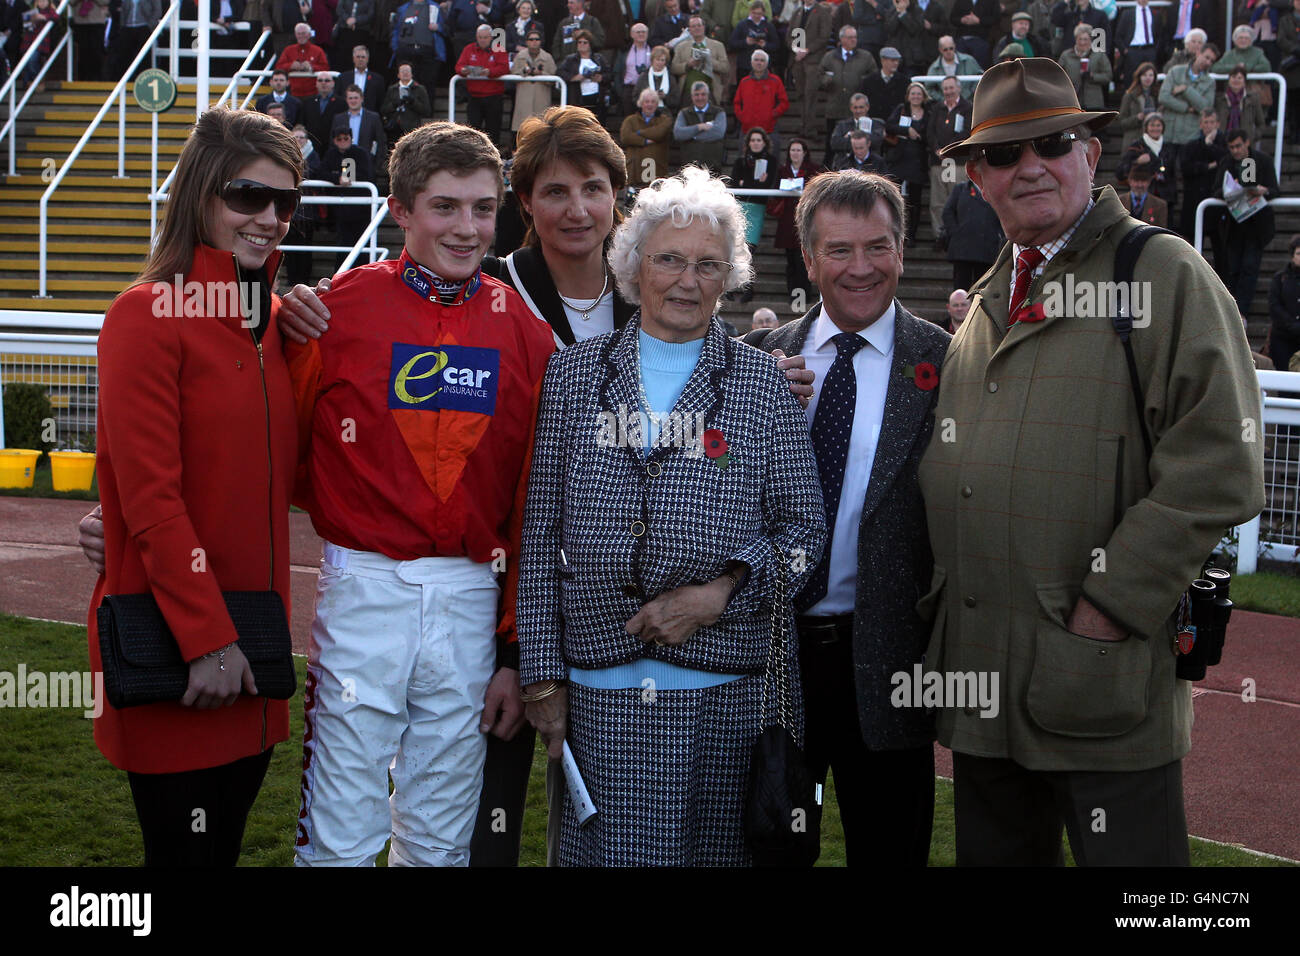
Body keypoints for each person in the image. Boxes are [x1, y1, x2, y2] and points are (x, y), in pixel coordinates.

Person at [927, 56, 1264, 866]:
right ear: (979, 177)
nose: (1030, 165)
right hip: (982, 691)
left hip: (1101, 687)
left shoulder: (1161, 271)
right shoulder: (986, 300)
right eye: (1004, 154)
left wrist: (1105, 612)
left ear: (1087, 151)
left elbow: (1220, 462)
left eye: (1051, 142)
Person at [517, 165, 827, 866]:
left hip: (726, 702)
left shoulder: (760, 383)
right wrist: (541, 677)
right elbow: (539, 537)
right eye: (670, 260)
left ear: (729, 278)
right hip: (599, 700)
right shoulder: (571, 376)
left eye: (708, 265)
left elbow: (805, 536)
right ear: (634, 266)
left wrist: (718, 594)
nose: (688, 280)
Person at [88, 107, 304, 866]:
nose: (269, 217)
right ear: (201, 194)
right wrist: (208, 640)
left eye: (286, 201)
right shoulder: (145, 314)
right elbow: (150, 495)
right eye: (248, 196)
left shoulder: (274, 320)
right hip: (185, 654)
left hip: (259, 656)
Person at [741, 169, 950, 867]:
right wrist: (750, 418)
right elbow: (708, 500)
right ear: (808, 258)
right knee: (770, 854)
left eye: (877, 247)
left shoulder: (947, 364)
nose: (860, 268)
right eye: (839, 250)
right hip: (773, 661)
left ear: (902, 250)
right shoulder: (757, 364)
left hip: (889, 658)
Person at [1218, 127, 1281, 317]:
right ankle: (1234, 311)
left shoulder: (1263, 161)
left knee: (1249, 268)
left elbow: (1275, 190)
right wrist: (1229, 193)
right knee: (1234, 269)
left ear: (1247, 143)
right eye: (1232, 147)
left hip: (1256, 226)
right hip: (1234, 225)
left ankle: (1241, 312)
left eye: (1238, 146)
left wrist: (1263, 190)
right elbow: (1215, 190)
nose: (1235, 151)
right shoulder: (1226, 162)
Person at [769, 136, 823, 303]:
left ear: (804, 152)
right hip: (787, 221)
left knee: (803, 261)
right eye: (793, 150)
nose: (795, 153)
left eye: (798, 150)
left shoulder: (813, 170)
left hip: (806, 221)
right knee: (791, 261)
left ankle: (805, 295)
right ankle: (794, 295)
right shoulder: (782, 170)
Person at [925, 74, 971, 243]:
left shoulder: (967, 108)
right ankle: (940, 235)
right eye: (945, 88)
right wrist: (937, 149)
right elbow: (930, 132)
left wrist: (948, 149)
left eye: (951, 88)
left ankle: (957, 234)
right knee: (937, 201)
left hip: (956, 162)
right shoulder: (937, 108)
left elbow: (966, 132)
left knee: (955, 198)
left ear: (958, 88)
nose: (948, 91)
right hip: (938, 163)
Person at [730, 126, 774, 302]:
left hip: (757, 208)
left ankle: (748, 287)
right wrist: (753, 181)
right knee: (736, 247)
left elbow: (767, 184)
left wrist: (747, 182)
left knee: (749, 249)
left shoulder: (770, 160)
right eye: (753, 140)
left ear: (764, 143)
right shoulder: (741, 161)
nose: (756, 143)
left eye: (759, 140)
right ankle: (733, 286)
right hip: (741, 206)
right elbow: (736, 184)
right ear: (748, 143)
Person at [320, 126, 374, 268]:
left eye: (346, 138)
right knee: (343, 245)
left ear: (351, 138)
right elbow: (320, 173)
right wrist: (337, 178)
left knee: (361, 245)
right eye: (339, 139)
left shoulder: (360, 153)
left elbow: (367, 175)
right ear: (334, 141)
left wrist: (347, 178)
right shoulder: (331, 154)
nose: (343, 141)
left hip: (360, 208)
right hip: (340, 209)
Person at [820, 26, 877, 155]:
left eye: (855, 37)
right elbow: (820, 75)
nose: (854, 40)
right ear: (842, 39)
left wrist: (863, 82)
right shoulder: (830, 57)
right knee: (833, 144)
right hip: (835, 108)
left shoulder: (866, 57)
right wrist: (827, 80)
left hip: (858, 111)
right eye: (850, 37)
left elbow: (873, 76)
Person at [885, 81, 928, 243]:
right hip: (899, 160)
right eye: (913, 93)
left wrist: (919, 136)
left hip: (917, 162)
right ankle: (894, 233)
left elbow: (930, 134)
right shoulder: (901, 109)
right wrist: (906, 130)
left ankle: (912, 235)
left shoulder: (928, 112)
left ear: (923, 97)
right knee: (894, 198)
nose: (916, 96)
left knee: (915, 201)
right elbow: (889, 126)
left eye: (919, 94)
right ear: (908, 96)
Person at [787, 0, 839, 135]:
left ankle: (810, 128)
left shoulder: (822, 12)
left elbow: (824, 36)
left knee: (811, 94)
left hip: (814, 61)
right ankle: (803, 125)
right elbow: (790, 35)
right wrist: (796, 50)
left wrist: (807, 50)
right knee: (800, 94)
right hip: (797, 60)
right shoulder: (797, 12)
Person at [1115, 112, 1177, 222]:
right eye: (1152, 125)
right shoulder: (1137, 146)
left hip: (1165, 196)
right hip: (1144, 194)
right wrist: (1137, 161)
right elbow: (1120, 171)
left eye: (1158, 125)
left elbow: (1171, 170)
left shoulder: (1169, 147)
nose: (1155, 128)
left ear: (1163, 127)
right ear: (1146, 127)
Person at [941, 177, 1001, 288]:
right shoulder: (961, 189)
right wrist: (956, 232)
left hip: (986, 248)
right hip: (962, 249)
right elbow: (947, 212)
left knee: (982, 290)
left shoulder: (996, 190)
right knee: (961, 287)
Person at [1178, 107, 1227, 243]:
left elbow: (1225, 161)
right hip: (1194, 200)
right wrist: (1208, 166)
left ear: (1217, 124)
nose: (1208, 126)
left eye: (1212, 122)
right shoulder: (1190, 146)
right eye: (1205, 122)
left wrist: (1210, 145)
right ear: (1200, 124)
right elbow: (1186, 168)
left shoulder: (1226, 143)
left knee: (1220, 248)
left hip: (1217, 201)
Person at [456, 23, 510, 147]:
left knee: (493, 131)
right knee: (473, 131)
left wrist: (490, 72)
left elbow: (504, 68)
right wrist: (463, 71)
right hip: (474, 97)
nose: (482, 40)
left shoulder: (499, 48)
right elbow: (458, 66)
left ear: (491, 37)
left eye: (485, 37)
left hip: (493, 96)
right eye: (480, 37)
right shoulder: (469, 49)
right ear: (476, 37)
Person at [1158, 40, 1217, 152]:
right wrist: (1187, 108)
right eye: (1207, 57)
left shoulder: (1210, 82)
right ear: (1198, 53)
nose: (1208, 62)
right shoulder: (1175, 71)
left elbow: (1206, 108)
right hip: (1169, 133)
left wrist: (1186, 89)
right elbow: (1163, 97)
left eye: (1211, 61)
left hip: (1190, 136)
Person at [732, 48, 787, 149]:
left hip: (769, 128)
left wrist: (773, 114)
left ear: (767, 63)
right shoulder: (744, 82)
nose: (759, 63)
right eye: (756, 60)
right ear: (751, 62)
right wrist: (742, 116)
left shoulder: (775, 81)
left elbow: (784, 102)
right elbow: (737, 103)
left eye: (762, 60)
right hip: (747, 128)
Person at [509, 30, 558, 139]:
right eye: (531, 39)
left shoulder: (548, 57)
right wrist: (524, 72)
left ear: (541, 41)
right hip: (523, 98)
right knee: (522, 130)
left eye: (537, 39)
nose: (534, 42)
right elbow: (513, 75)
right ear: (526, 42)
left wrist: (541, 73)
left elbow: (554, 78)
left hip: (541, 98)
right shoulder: (520, 56)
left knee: (541, 130)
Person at [621, 86, 673, 185]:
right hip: (635, 170)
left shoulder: (664, 120)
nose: (650, 104)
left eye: (653, 102)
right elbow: (626, 137)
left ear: (657, 104)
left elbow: (659, 133)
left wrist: (639, 132)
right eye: (647, 101)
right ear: (641, 103)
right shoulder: (630, 120)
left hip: (656, 171)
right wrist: (644, 141)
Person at [671, 14, 729, 103]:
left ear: (704, 27)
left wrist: (709, 61)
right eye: (693, 26)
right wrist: (688, 65)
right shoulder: (681, 47)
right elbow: (673, 68)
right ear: (689, 29)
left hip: (710, 92)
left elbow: (725, 68)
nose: (697, 28)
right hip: (688, 93)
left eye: (699, 25)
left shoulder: (718, 45)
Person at [673, 80, 727, 173]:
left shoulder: (719, 112)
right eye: (696, 95)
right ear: (692, 96)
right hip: (689, 168)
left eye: (703, 94)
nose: (700, 98)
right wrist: (699, 127)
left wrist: (692, 136)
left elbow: (718, 133)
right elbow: (678, 133)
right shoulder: (684, 113)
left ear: (708, 95)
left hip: (713, 166)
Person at [330, 83, 388, 168]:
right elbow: (332, 143)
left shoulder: (373, 118)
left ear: (362, 99)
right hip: (343, 164)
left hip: (367, 164)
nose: (353, 101)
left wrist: (377, 165)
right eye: (350, 98)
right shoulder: (338, 119)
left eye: (356, 98)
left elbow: (381, 142)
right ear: (346, 100)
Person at [1058, 22, 1111, 112]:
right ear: (1075, 40)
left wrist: (1092, 76)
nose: (1082, 42)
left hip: (1093, 102)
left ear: (1091, 40)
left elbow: (1108, 76)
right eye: (1080, 39)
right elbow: (1058, 76)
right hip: (1072, 102)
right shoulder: (1066, 55)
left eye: (1085, 39)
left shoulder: (1099, 55)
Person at [559, 29, 610, 122]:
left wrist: (601, 78)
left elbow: (609, 74)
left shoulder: (599, 58)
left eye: (585, 42)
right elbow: (560, 72)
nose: (582, 44)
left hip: (597, 97)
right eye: (579, 42)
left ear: (590, 44)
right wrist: (574, 78)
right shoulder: (570, 59)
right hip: (578, 97)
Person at [1113, 0, 1165, 88]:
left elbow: (1160, 35)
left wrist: (1155, 51)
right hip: (1133, 51)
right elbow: (1118, 36)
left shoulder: (1156, 14)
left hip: (1150, 50)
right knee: (1131, 79)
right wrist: (1125, 51)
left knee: (1149, 78)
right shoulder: (1128, 13)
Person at [1268, 234, 1300, 371]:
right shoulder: (1280, 278)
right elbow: (1274, 305)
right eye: (1299, 253)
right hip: (1282, 338)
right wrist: (1291, 324)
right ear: (1292, 255)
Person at [381, 59, 434, 140]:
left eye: (407, 71)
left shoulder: (419, 89)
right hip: (394, 128)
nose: (405, 73)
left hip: (412, 128)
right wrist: (394, 104)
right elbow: (384, 110)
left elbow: (427, 111)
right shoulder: (392, 89)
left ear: (412, 74)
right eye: (402, 71)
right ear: (398, 75)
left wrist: (413, 102)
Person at [277, 21, 332, 97]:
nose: (301, 36)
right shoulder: (288, 50)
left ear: (309, 35)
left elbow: (326, 68)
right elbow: (278, 67)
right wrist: (290, 66)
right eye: (299, 34)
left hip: (313, 94)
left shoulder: (318, 50)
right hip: (292, 93)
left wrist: (311, 67)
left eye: (303, 33)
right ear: (295, 35)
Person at [1215, 64, 1266, 145]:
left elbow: (1261, 124)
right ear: (1229, 80)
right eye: (1233, 77)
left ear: (1244, 82)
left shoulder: (1253, 99)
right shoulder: (1219, 99)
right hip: (1223, 144)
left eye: (1239, 78)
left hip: (1245, 145)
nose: (1236, 80)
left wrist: (1252, 137)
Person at [110, 0, 161, 81]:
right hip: (127, 27)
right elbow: (123, 10)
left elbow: (157, 10)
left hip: (144, 27)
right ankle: (126, 80)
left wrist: (150, 25)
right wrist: (122, 26)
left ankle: (144, 80)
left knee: (144, 57)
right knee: (125, 56)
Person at [828, 92, 883, 166]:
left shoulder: (876, 124)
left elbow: (877, 142)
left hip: (871, 165)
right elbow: (834, 143)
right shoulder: (842, 125)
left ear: (867, 107)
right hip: (846, 164)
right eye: (855, 107)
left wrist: (850, 136)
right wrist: (864, 140)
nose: (858, 111)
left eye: (861, 107)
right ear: (851, 108)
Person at [730, 0, 778, 78]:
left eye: (759, 13)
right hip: (745, 65)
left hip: (764, 67)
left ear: (763, 13)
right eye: (754, 13)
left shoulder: (769, 26)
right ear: (750, 12)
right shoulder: (742, 25)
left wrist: (765, 45)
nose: (756, 16)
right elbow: (732, 43)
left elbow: (776, 45)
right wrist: (745, 42)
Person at [1117, 61, 1159, 149]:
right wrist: (1137, 118)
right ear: (1139, 77)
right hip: (1133, 140)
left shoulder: (1157, 96)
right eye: (1144, 75)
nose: (1148, 78)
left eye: (1151, 75)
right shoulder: (1129, 96)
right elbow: (1122, 122)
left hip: (1153, 141)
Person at [926, 33, 979, 100]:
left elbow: (980, 77)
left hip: (969, 103)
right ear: (940, 50)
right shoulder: (934, 68)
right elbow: (928, 88)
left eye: (951, 48)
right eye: (945, 49)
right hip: (945, 107)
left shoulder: (969, 60)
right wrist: (942, 99)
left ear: (955, 46)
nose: (949, 51)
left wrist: (971, 92)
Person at [301, 70, 345, 149]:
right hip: (312, 147)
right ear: (316, 84)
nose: (323, 83)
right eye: (320, 80)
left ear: (333, 84)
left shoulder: (342, 103)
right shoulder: (307, 102)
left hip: (333, 146)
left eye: (327, 80)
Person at [947, 0, 997, 68]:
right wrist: (962, 20)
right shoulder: (960, 1)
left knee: (980, 67)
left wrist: (979, 21)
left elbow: (996, 18)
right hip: (962, 39)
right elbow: (952, 18)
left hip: (982, 39)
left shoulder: (991, 2)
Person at [1116, 159, 1167, 226]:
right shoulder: (1119, 202)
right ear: (1130, 181)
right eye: (1136, 181)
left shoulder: (1160, 205)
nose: (1140, 185)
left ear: (1149, 182)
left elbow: (1163, 232)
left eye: (1143, 181)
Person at [863, 44, 907, 119]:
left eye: (897, 61)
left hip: (896, 122)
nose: (896, 63)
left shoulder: (904, 81)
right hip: (876, 121)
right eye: (893, 60)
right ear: (883, 61)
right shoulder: (869, 81)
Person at [618, 21, 653, 114]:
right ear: (632, 34)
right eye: (638, 32)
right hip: (629, 89)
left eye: (643, 32)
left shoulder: (653, 49)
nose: (641, 34)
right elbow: (618, 72)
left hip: (648, 89)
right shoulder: (624, 51)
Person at [72, 0, 110, 82]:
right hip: (80, 22)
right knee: (83, 51)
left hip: (97, 21)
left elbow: (106, 2)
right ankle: (83, 77)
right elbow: (71, 2)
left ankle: (98, 77)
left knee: (96, 50)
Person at [332, 1, 375, 72]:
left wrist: (356, 20)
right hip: (344, 30)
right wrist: (347, 19)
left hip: (361, 32)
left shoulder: (370, 2)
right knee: (342, 57)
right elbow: (339, 10)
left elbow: (370, 15)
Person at [341, 43, 385, 111]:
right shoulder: (343, 77)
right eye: (358, 57)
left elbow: (380, 101)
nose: (360, 59)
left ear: (367, 59)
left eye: (363, 57)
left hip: (369, 116)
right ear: (353, 59)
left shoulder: (378, 79)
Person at [1279, 0, 1300, 139]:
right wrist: (1295, 49)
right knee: (1292, 102)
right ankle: (1293, 132)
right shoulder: (1285, 20)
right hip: (1292, 67)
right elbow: (1281, 40)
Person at [636, 43, 679, 111]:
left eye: (662, 60)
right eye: (657, 60)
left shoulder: (671, 78)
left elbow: (675, 100)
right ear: (652, 60)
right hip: (646, 112)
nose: (660, 63)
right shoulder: (644, 77)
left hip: (665, 113)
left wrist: (665, 97)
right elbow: (635, 97)